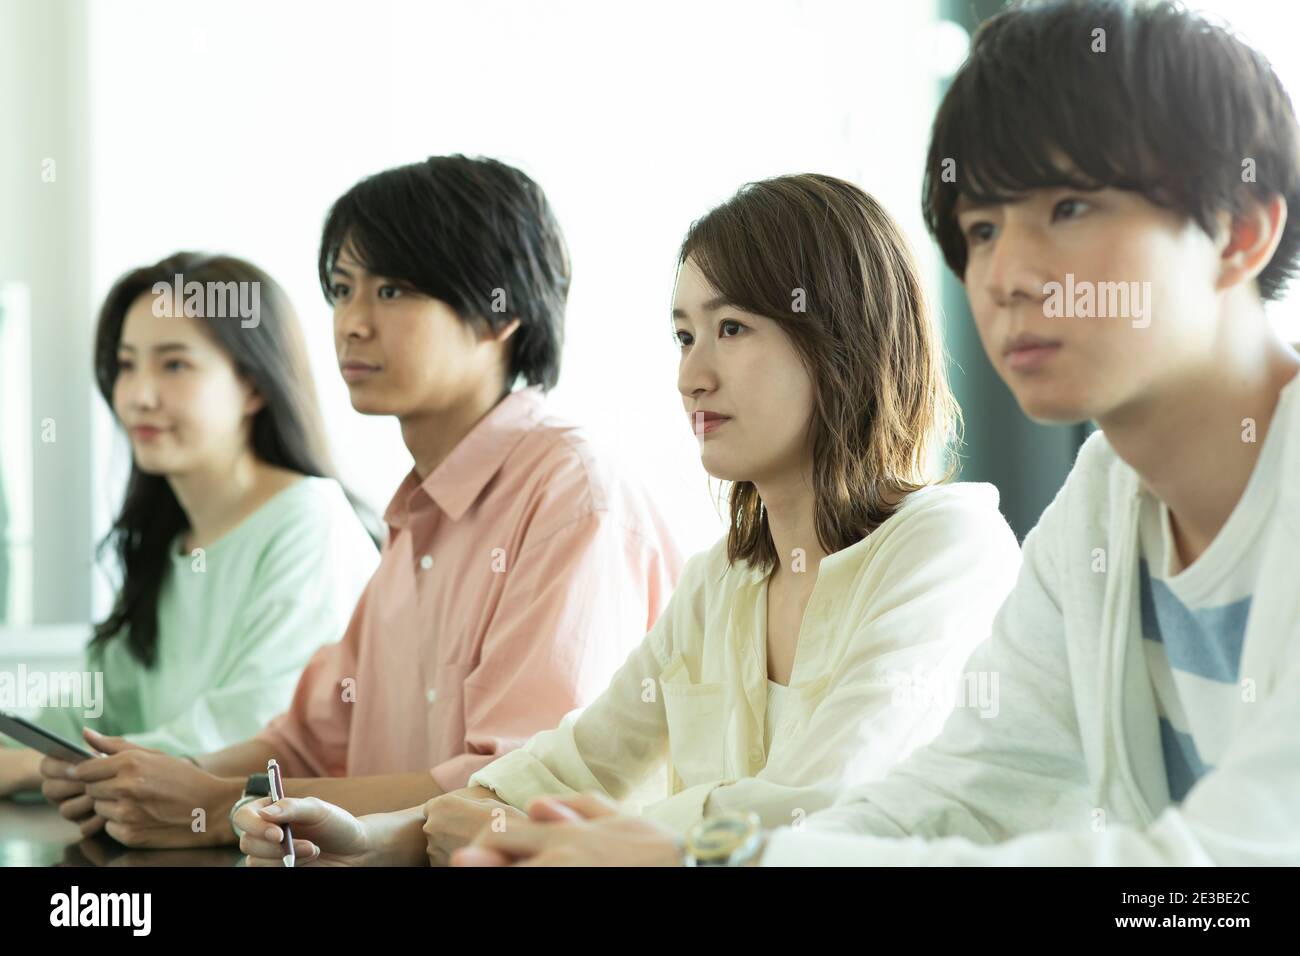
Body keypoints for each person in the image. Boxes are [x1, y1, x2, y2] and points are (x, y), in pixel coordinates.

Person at [445, 0, 1300, 867]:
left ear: (1239, 229)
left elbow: (1223, 877)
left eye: (1071, 207)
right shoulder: (1102, 506)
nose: (1001, 275)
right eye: (981, 229)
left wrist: (693, 858)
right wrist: (701, 852)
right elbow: (945, 802)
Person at [236, 172, 1023, 867]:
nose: (692, 375)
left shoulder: (945, 544)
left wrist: (599, 834)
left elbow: (821, 804)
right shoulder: (724, 577)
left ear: (840, 338)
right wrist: (380, 838)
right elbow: (575, 763)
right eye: (683, 336)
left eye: (731, 329)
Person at [38, 155, 685, 850]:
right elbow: (307, 744)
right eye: (343, 289)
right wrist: (149, 781)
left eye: (394, 290)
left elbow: (511, 784)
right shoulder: (416, 515)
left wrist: (218, 800)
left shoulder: (573, 497)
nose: (351, 321)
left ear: (501, 314)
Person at [0, 252, 378, 809]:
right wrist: (28, 751)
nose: (139, 395)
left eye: (174, 365)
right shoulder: (167, 538)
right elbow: (80, 717)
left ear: (253, 385)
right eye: (126, 365)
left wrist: (32, 766)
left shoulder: (307, 520)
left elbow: (253, 734)